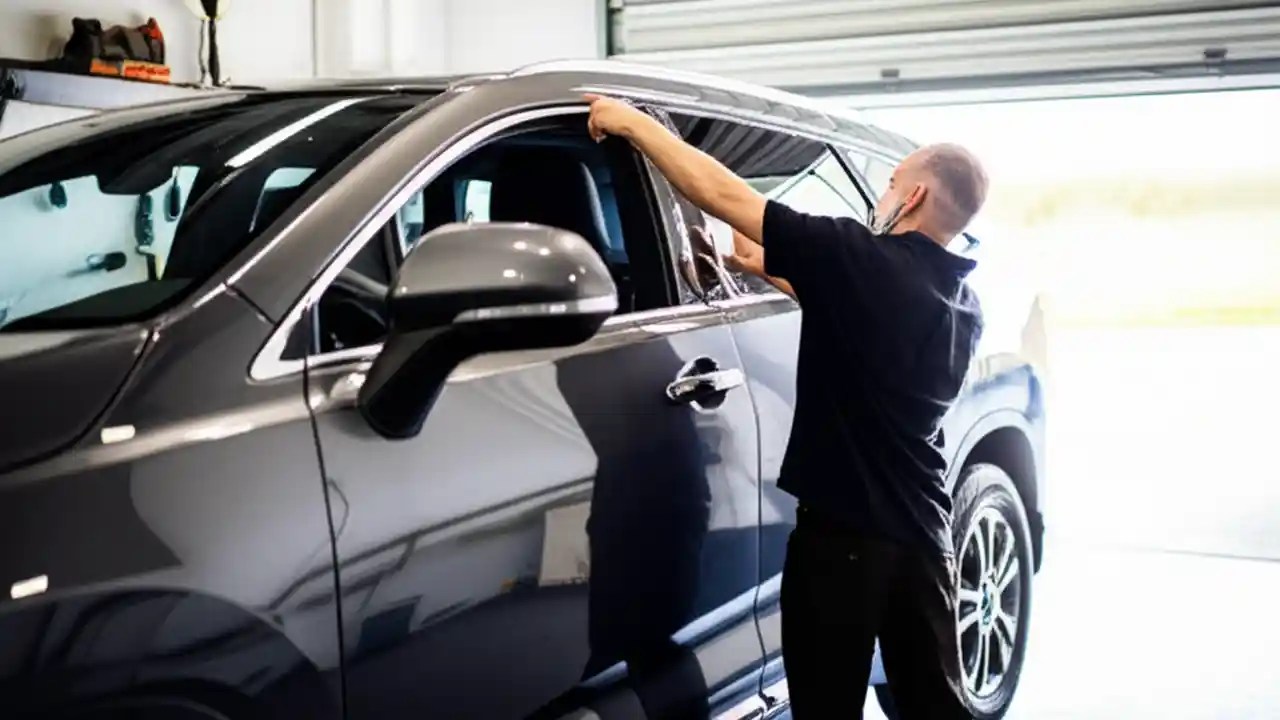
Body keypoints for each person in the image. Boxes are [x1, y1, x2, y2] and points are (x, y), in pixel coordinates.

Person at [584, 94, 988, 719]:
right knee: (934, 706)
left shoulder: (862, 257)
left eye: (890, 183)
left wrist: (634, 125)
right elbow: (853, 302)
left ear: (911, 199)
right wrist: (754, 266)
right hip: (925, 536)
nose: (882, 195)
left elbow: (729, 198)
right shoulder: (958, 296)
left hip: (845, 544)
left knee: (826, 705)